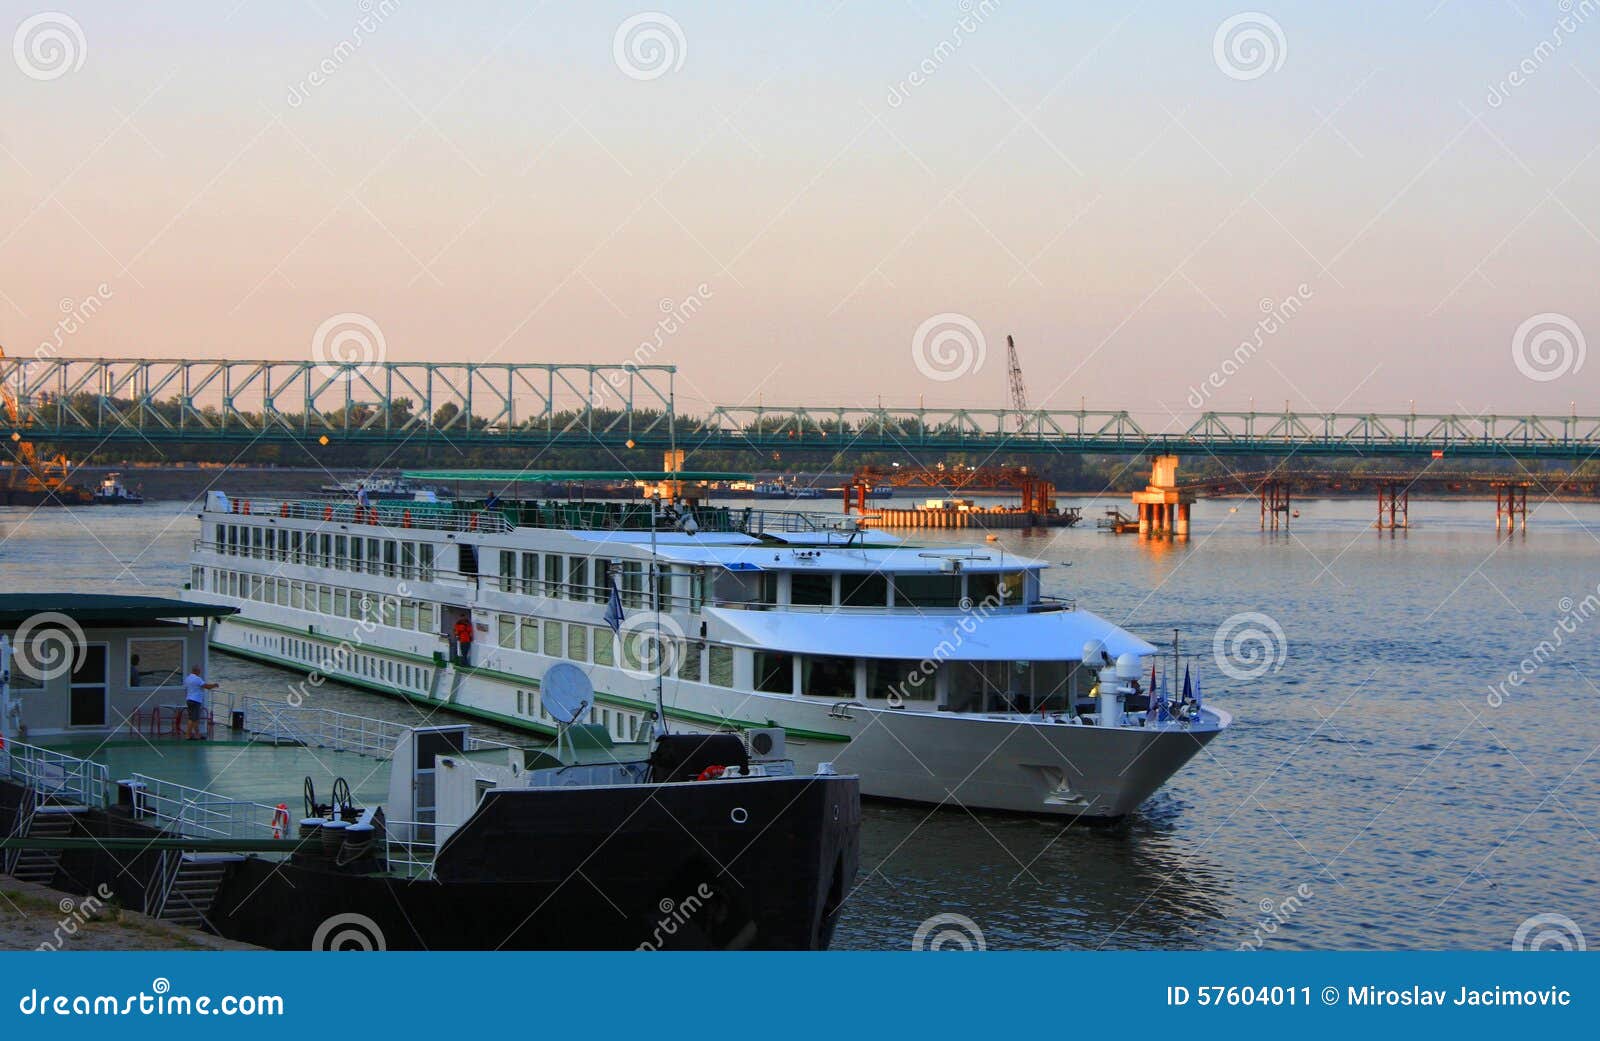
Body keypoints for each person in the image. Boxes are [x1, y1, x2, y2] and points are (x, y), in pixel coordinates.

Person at [183, 665, 218, 740]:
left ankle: (197, 735)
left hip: (189, 699)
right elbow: (207, 686)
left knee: (195, 719)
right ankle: (188, 735)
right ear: (195, 671)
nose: (200, 673)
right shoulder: (197, 679)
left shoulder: (187, 678)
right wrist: (214, 685)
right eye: (199, 671)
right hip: (195, 700)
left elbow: (186, 688)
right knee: (192, 719)